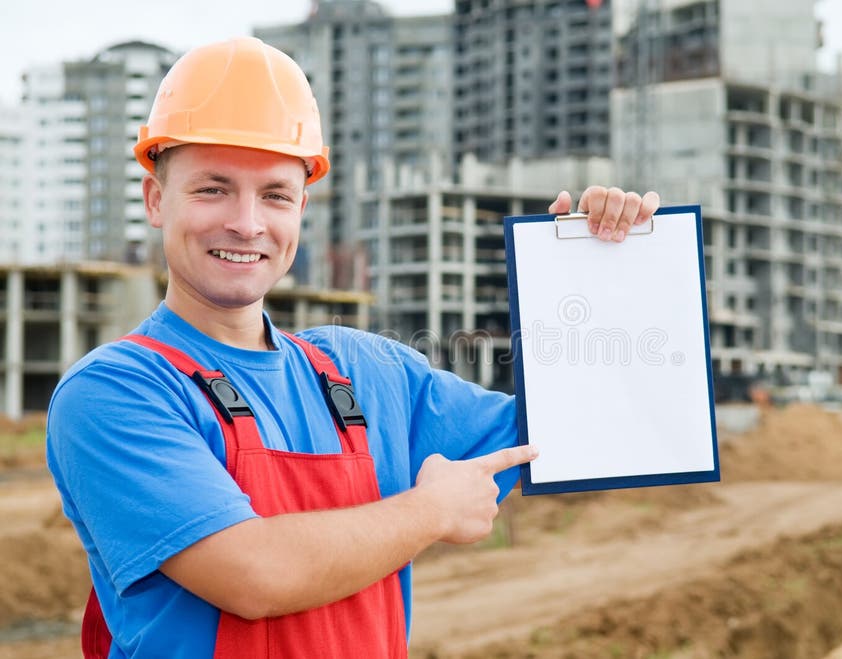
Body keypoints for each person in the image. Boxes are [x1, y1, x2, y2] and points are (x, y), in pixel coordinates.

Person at [46, 37, 661, 658]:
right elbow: (254, 574)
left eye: (275, 195)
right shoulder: (115, 391)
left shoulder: (365, 372)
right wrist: (431, 511)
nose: (247, 223)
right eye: (213, 189)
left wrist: (592, 269)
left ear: (302, 207)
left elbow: (578, 427)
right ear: (155, 199)